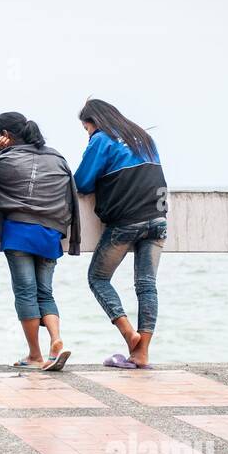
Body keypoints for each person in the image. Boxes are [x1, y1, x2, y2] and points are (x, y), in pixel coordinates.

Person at [73, 98, 168, 368]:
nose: (88, 133)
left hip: (127, 221)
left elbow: (82, 182)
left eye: (86, 128)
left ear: (94, 122)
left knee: (98, 278)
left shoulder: (102, 139)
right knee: (147, 285)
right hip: (158, 219)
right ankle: (142, 353)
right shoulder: (144, 137)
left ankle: (129, 334)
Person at [0, 112, 81, 370]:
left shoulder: (4, 159)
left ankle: (35, 355)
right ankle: (57, 340)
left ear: (5, 135)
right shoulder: (57, 158)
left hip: (19, 233)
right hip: (51, 234)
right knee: (45, 292)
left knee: (26, 293)